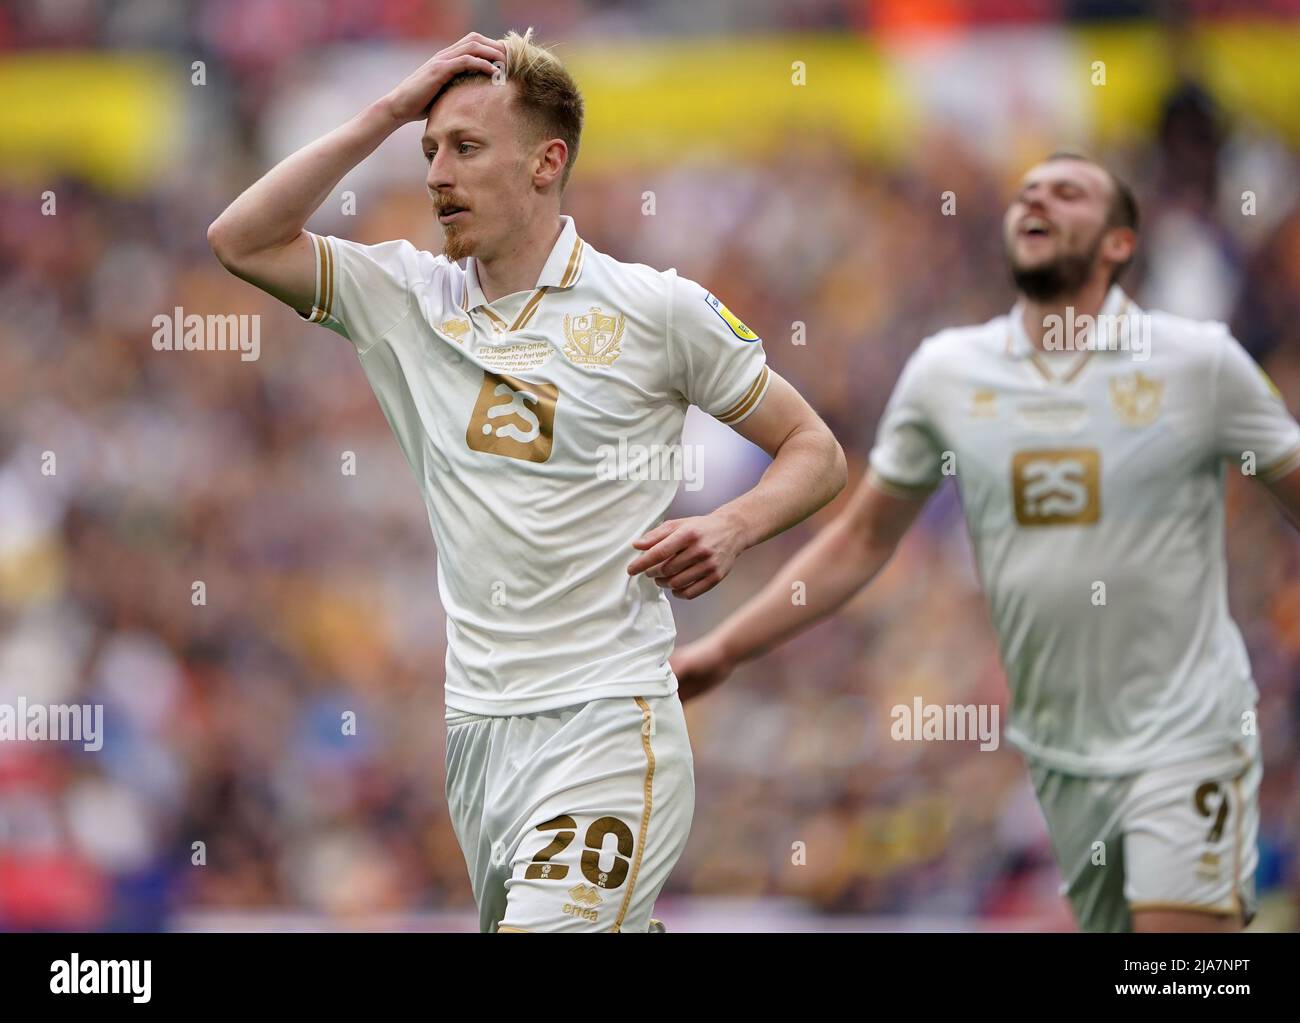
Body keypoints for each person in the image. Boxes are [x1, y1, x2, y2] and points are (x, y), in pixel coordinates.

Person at [207, 29, 846, 933]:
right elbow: (240, 237)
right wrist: (389, 111)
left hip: (608, 717)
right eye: (429, 150)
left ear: (547, 163)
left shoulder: (652, 309)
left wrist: (735, 524)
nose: (436, 175)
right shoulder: (405, 296)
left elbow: (816, 449)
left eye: (465, 148)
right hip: (479, 730)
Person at [671, 152, 1300, 933]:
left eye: (1069, 192)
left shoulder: (1200, 363)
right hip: (1058, 747)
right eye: (1029, 192)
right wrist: (726, 647)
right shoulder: (949, 372)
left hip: (1187, 724)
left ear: (1119, 243)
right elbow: (862, 541)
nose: (1038, 198)